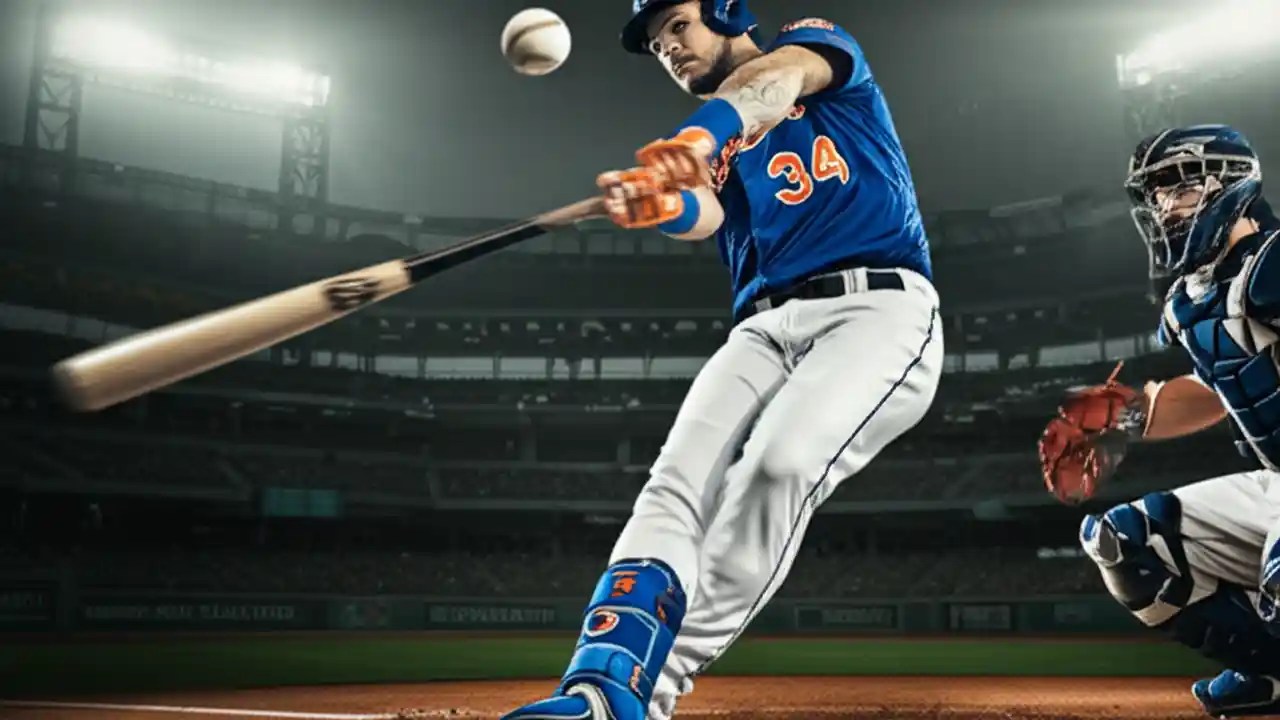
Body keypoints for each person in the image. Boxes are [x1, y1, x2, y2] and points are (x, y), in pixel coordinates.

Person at [503, 2, 942, 718]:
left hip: (877, 310)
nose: (668, 48)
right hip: (762, 326)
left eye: (677, 24)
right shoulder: (717, 143)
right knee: (673, 485)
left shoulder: (816, 50)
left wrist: (700, 136)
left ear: (728, 10)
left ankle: (651, 684)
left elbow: (773, 80)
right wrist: (663, 207)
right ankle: (599, 686)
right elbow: (707, 212)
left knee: (778, 464)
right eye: (654, 42)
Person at [1059, 124, 1280, 718]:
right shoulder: (1193, 299)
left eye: (1177, 187)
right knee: (1122, 542)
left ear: (1230, 183)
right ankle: (1274, 672)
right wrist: (1123, 419)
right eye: (1155, 192)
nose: (1163, 205)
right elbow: (1224, 386)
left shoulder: (1275, 263)